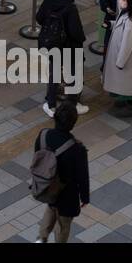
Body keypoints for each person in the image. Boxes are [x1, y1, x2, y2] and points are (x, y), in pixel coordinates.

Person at [34, 102, 90, 243]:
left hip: (47, 184)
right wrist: (84, 197)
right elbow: (82, 176)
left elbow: (38, 156)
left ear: (55, 117)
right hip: (67, 192)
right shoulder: (77, 148)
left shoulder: (43, 135)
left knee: (51, 207)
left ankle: (41, 239)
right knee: (63, 224)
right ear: (73, 123)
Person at [36, 0, 88, 116]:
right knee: (74, 74)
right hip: (70, 46)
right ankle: (72, 103)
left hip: (51, 42)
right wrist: (81, 39)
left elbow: (39, 18)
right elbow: (75, 31)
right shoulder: (70, 6)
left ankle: (50, 104)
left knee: (54, 73)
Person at [103, 0, 132, 118]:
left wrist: (120, 62)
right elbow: (120, 26)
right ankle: (123, 102)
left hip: (123, 60)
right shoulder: (126, 14)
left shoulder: (131, 24)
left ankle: (130, 107)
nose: (121, 1)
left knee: (125, 86)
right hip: (119, 57)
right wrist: (111, 24)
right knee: (123, 84)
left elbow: (126, 46)